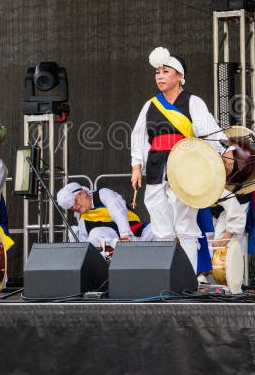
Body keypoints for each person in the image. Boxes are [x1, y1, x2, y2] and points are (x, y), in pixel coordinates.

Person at [130, 47, 233, 272]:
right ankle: (166, 276)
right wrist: (136, 165)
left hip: (185, 166)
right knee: (160, 225)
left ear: (179, 76)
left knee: (185, 225)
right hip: (157, 167)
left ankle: (188, 276)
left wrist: (225, 150)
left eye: (165, 72)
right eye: (157, 72)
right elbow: (138, 136)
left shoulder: (193, 102)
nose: (160, 76)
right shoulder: (150, 105)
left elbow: (209, 130)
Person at [56, 182, 155, 253]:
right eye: (71, 207)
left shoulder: (103, 194)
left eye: (75, 201)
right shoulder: (83, 221)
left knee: (160, 230)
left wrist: (125, 236)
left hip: (138, 236)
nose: (75, 207)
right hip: (114, 255)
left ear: (83, 193)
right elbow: (86, 248)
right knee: (95, 235)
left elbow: (118, 212)